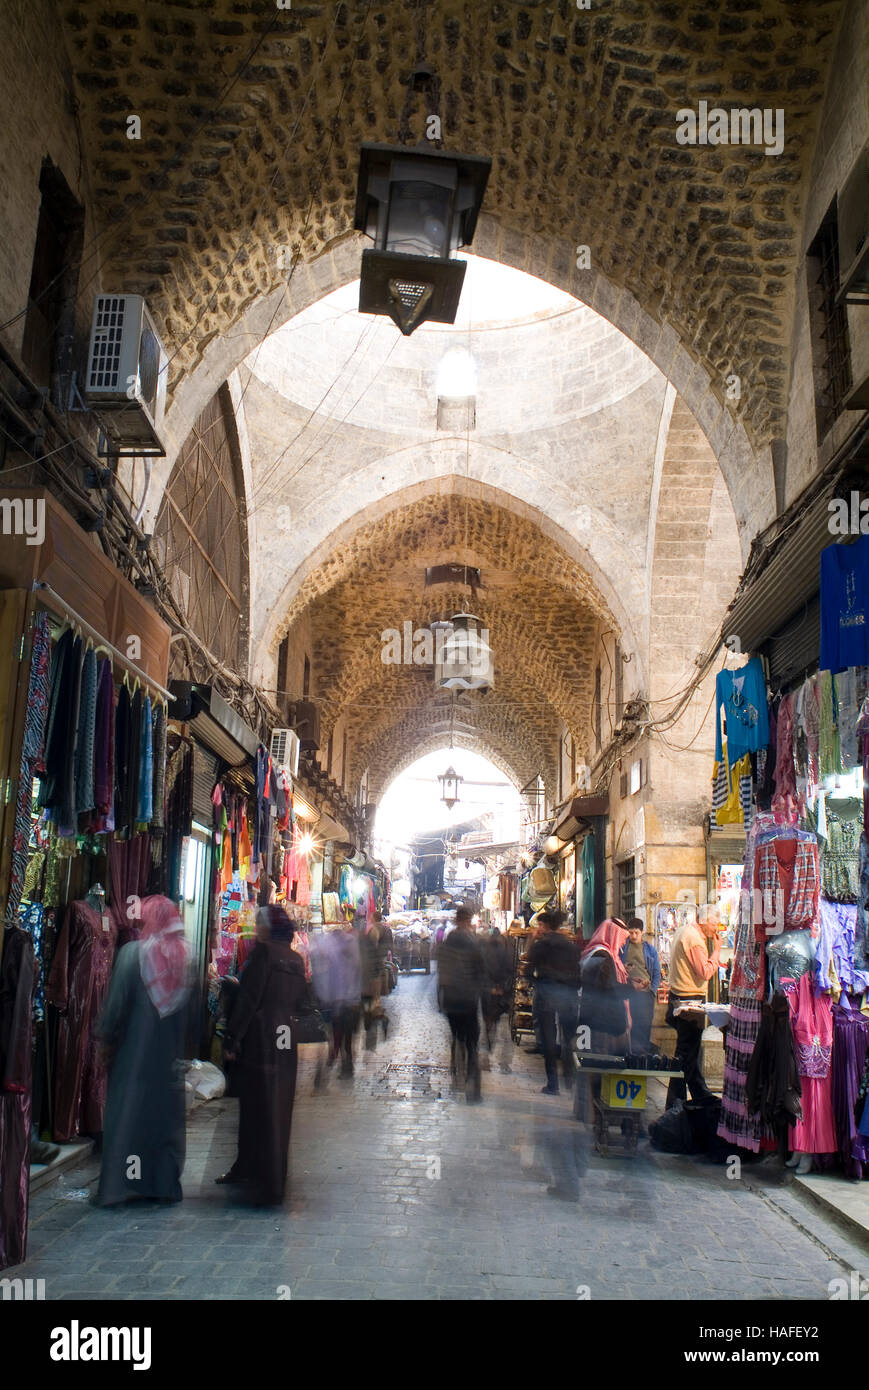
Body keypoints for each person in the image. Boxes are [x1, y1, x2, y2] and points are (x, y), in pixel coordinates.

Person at [96, 896, 191, 1206]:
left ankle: (123, 1187)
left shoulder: (132, 955)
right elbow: (191, 1018)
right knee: (162, 1124)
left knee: (129, 1119)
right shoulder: (184, 959)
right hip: (166, 1063)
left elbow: (115, 1010)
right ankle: (161, 1186)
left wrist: (105, 1039)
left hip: (134, 1057)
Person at [218, 906, 312, 1205]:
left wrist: (233, 1038)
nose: (255, 928)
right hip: (286, 1040)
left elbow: (249, 999)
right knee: (278, 1106)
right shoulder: (296, 959)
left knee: (255, 1105)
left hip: (261, 1038)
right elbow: (304, 1003)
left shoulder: (263, 955)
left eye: (258, 924)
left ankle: (260, 1177)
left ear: (268, 928)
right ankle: (269, 1175)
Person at [665, 907, 722, 1107]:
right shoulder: (695, 939)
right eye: (714, 924)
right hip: (689, 1002)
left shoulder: (683, 931)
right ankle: (690, 1100)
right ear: (705, 921)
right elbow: (704, 972)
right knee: (686, 1054)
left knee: (687, 1054)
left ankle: (683, 1100)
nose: (716, 928)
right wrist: (716, 951)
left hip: (680, 998)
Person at [524, 910, 579, 1094]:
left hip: (547, 995)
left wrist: (538, 983)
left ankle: (553, 1084)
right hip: (568, 996)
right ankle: (570, 1078)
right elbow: (578, 974)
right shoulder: (571, 946)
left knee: (548, 1040)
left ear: (545, 926)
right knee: (568, 1038)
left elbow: (528, 968)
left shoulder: (543, 945)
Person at [437, 906, 486, 1102]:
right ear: (468, 921)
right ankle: (472, 1086)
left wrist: (440, 996)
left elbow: (442, 971)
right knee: (471, 1041)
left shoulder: (448, 941)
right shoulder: (474, 942)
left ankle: (457, 1068)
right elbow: (481, 970)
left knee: (457, 1036)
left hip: (451, 997)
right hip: (468, 998)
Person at [579, 919, 632, 1054]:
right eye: (622, 938)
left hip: (597, 1020)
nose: (623, 943)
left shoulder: (599, 954)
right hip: (602, 1024)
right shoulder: (602, 955)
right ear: (613, 936)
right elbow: (609, 988)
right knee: (602, 1063)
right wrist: (632, 988)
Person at [619, 917, 662, 1054]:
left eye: (636, 932)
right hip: (628, 991)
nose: (633, 936)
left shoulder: (650, 950)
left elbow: (656, 973)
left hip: (645, 994)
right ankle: (630, 1053)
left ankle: (642, 1054)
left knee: (644, 1025)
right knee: (628, 1024)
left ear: (642, 932)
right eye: (630, 933)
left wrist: (652, 991)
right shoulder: (623, 947)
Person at [481, 926, 513, 1069]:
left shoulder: (483, 953)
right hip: (501, 995)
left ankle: (486, 1057)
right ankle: (504, 1062)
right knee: (503, 1027)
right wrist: (502, 988)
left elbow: (481, 973)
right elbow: (509, 972)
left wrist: (489, 988)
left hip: (488, 995)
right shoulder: (505, 953)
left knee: (489, 1025)